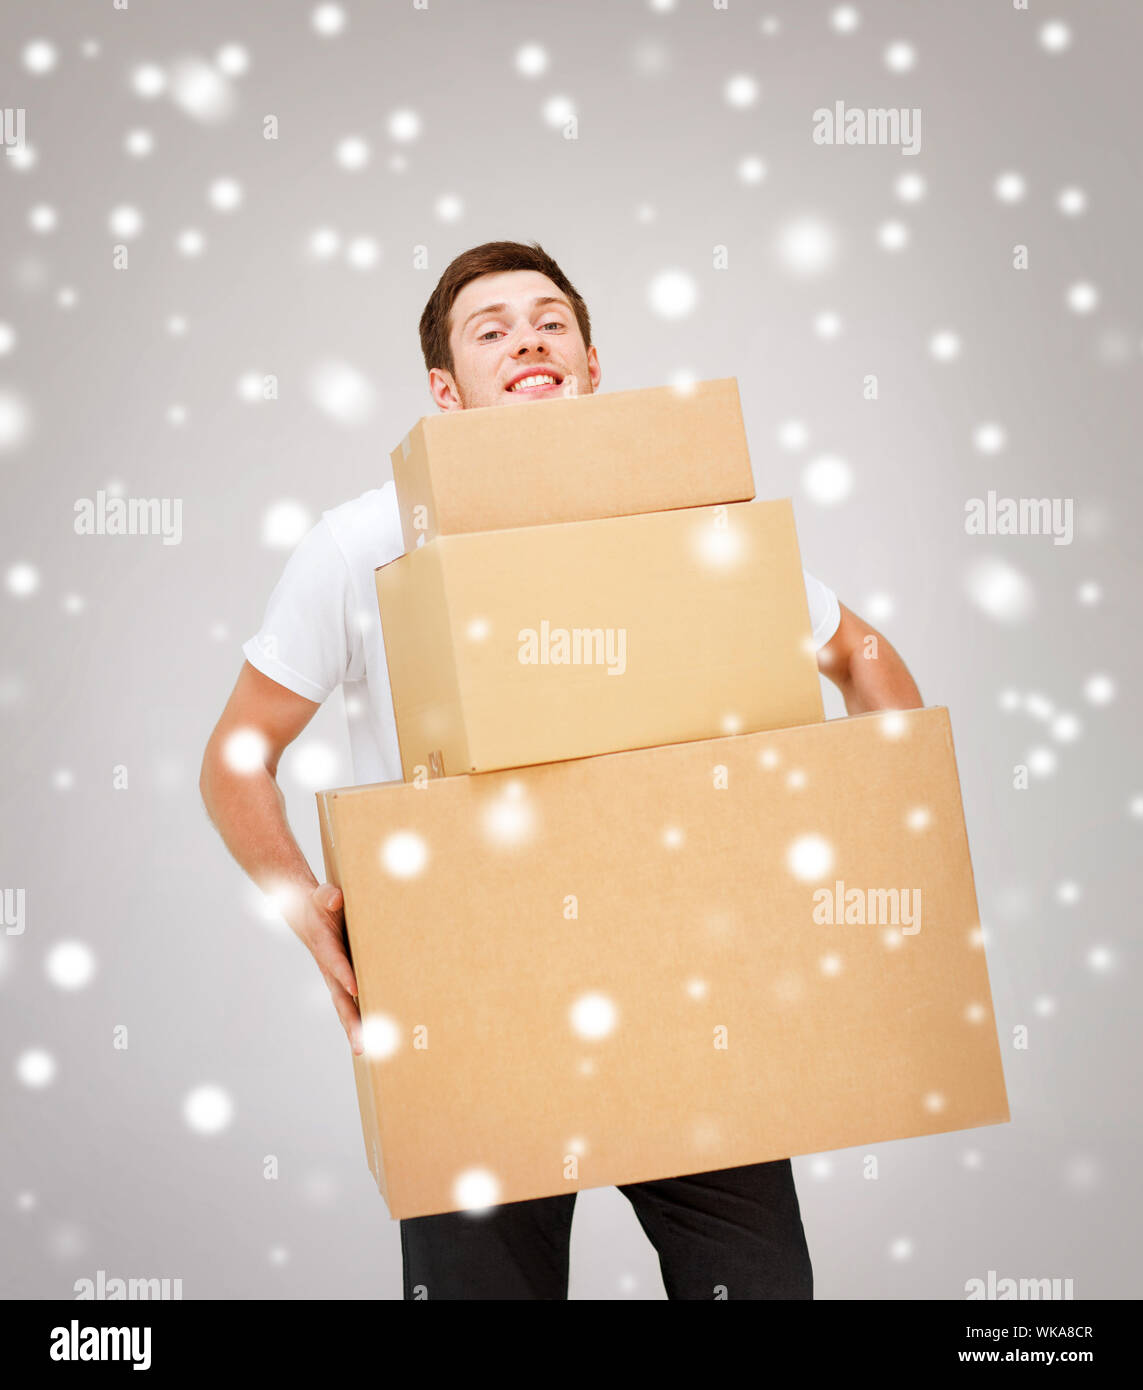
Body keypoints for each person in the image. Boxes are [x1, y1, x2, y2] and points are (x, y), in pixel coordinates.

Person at [199, 240, 924, 1299]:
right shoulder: (360, 544)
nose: (526, 338)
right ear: (445, 394)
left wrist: (877, 832)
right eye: (490, 330)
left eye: (550, 322)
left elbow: (861, 657)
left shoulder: (677, 522)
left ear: (591, 367)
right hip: (469, 1006)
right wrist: (308, 908)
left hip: (683, 989)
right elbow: (234, 758)